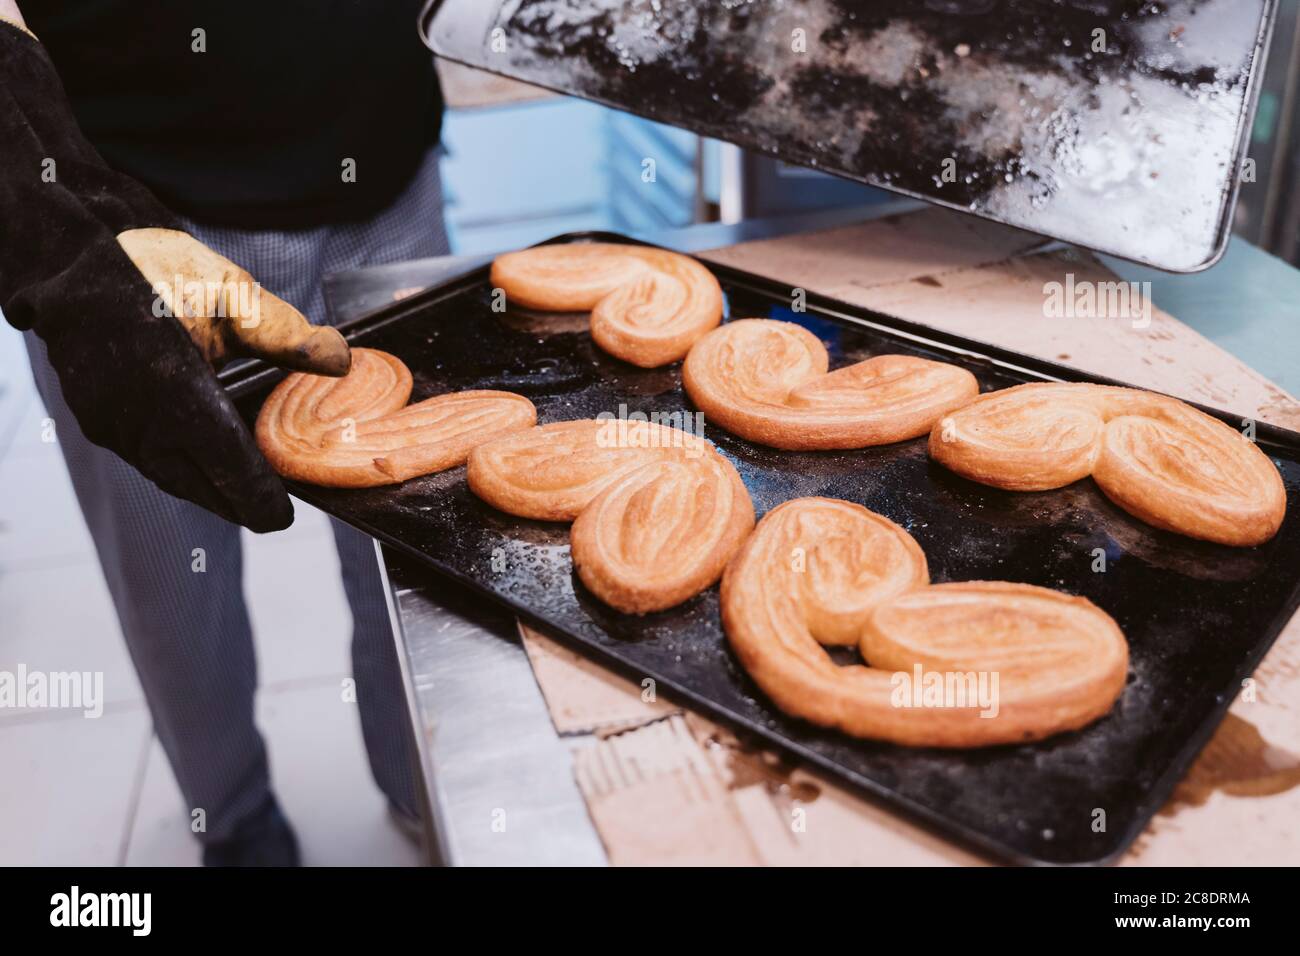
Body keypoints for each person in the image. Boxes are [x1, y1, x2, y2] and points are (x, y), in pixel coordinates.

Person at [0, 0, 447, 865]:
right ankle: (231, 818)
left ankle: (418, 775)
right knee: (170, 570)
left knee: (417, 538)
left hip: (380, 163)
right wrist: (51, 231)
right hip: (123, 210)